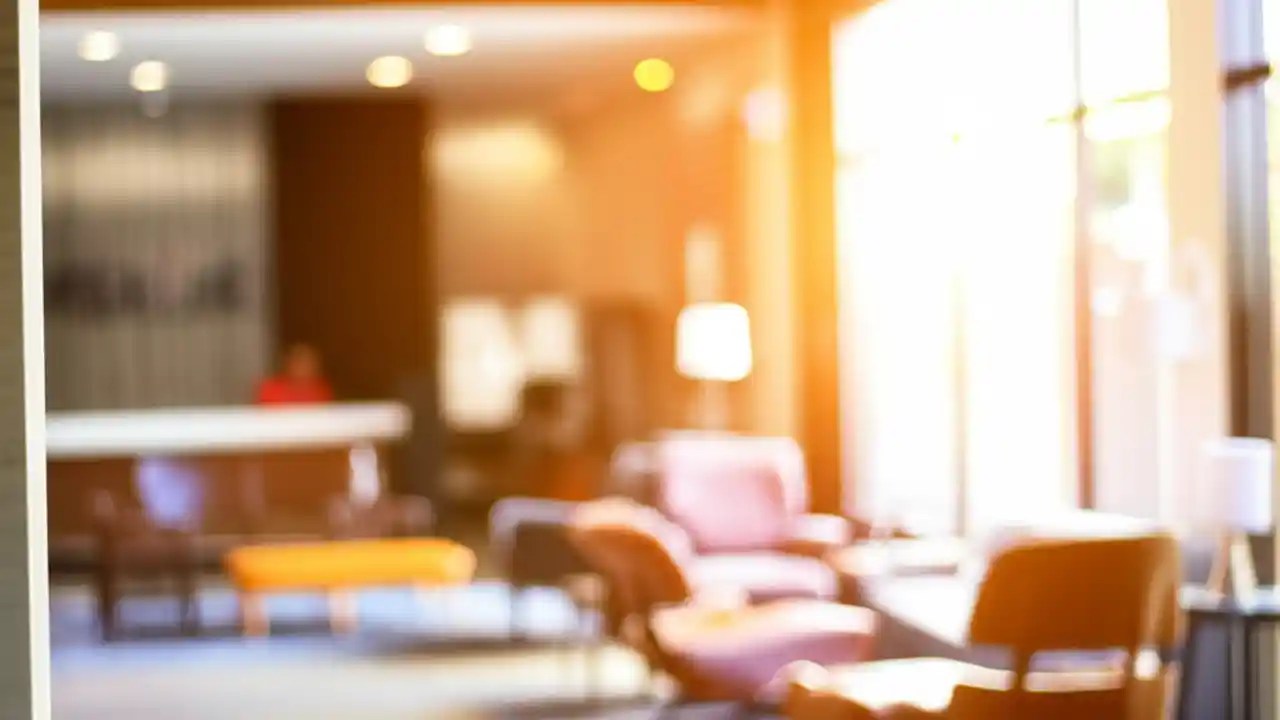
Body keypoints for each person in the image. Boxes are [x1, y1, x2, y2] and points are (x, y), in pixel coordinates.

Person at [256, 343, 334, 405]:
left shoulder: (321, 390)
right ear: (288, 364)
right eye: (300, 362)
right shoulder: (270, 389)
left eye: (309, 362)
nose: (304, 367)